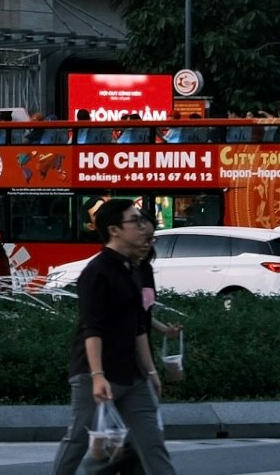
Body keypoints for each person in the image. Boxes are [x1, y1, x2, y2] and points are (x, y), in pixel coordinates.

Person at [51, 199, 172, 475]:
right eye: (135, 221)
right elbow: (91, 328)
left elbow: (138, 325)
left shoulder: (133, 269)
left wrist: (150, 371)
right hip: (95, 374)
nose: (143, 227)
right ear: (115, 230)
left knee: (153, 445)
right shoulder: (96, 272)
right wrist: (97, 375)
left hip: (133, 375)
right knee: (78, 440)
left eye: (142, 221)